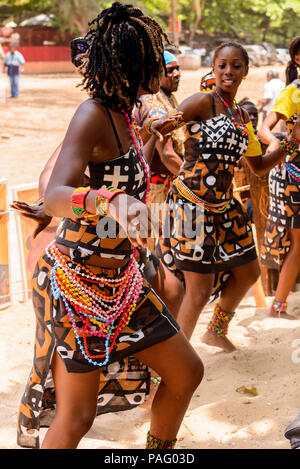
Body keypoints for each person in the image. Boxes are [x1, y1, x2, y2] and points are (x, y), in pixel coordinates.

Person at [16, 3, 203, 450]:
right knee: (76, 417)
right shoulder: (92, 114)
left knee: (185, 373)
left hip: (121, 283)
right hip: (75, 287)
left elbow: (68, 178)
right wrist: (105, 200)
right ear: (130, 67)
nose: (161, 69)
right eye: (153, 62)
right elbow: (57, 187)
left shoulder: (129, 113)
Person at [153, 41, 300, 353]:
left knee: (248, 271)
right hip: (191, 206)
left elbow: (258, 167)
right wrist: (157, 128)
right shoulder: (201, 103)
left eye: (235, 66)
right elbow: (161, 132)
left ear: (245, 72)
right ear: (214, 69)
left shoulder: (241, 119)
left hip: (224, 208)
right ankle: (168, 371)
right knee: (198, 290)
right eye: (222, 65)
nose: (228, 71)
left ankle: (215, 332)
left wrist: (288, 146)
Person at [258, 35, 300, 320]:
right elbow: (264, 128)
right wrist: (280, 145)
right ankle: (279, 306)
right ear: (297, 60)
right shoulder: (293, 93)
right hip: (296, 176)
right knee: (299, 243)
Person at [133, 50, 185, 252]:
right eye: (170, 70)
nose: (177, 74)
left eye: (178, 69)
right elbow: (167, 155)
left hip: (163, 185)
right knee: (162, 250)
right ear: (155, 74)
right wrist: (196, 183)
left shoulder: (165, 99)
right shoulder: (155, 105)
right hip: (158, 191)